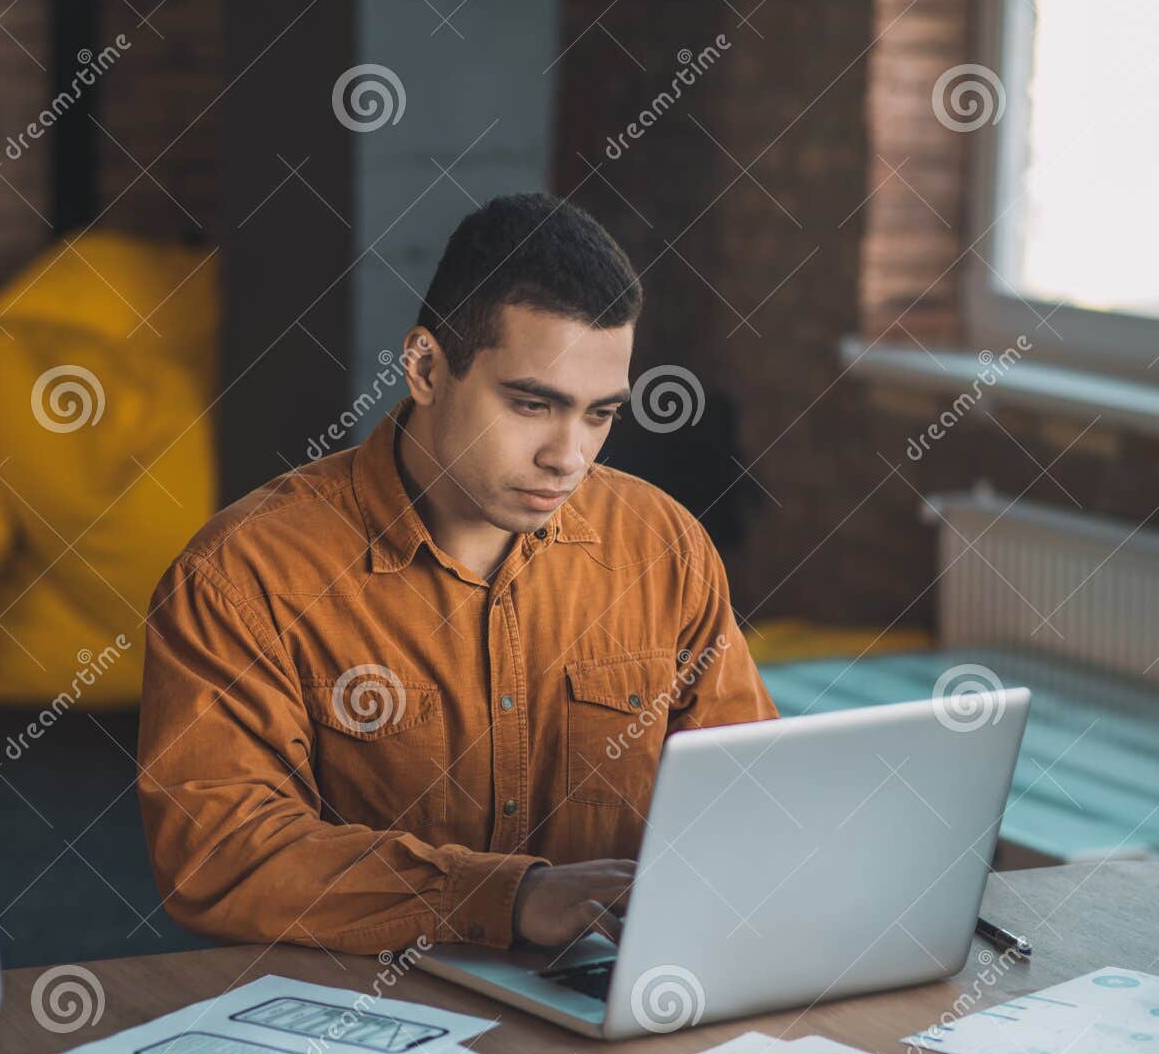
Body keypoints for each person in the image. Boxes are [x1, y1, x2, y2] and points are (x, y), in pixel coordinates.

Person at [137, 192, 778, 956]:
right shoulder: (243, 575)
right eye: (532, 404)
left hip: (611, 994)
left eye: (601, 414)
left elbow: (750, 796)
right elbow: (221, 855)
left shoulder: (664, 548)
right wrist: (503, 897)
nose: (569, 456)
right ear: (426, 367)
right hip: (357, 1020)